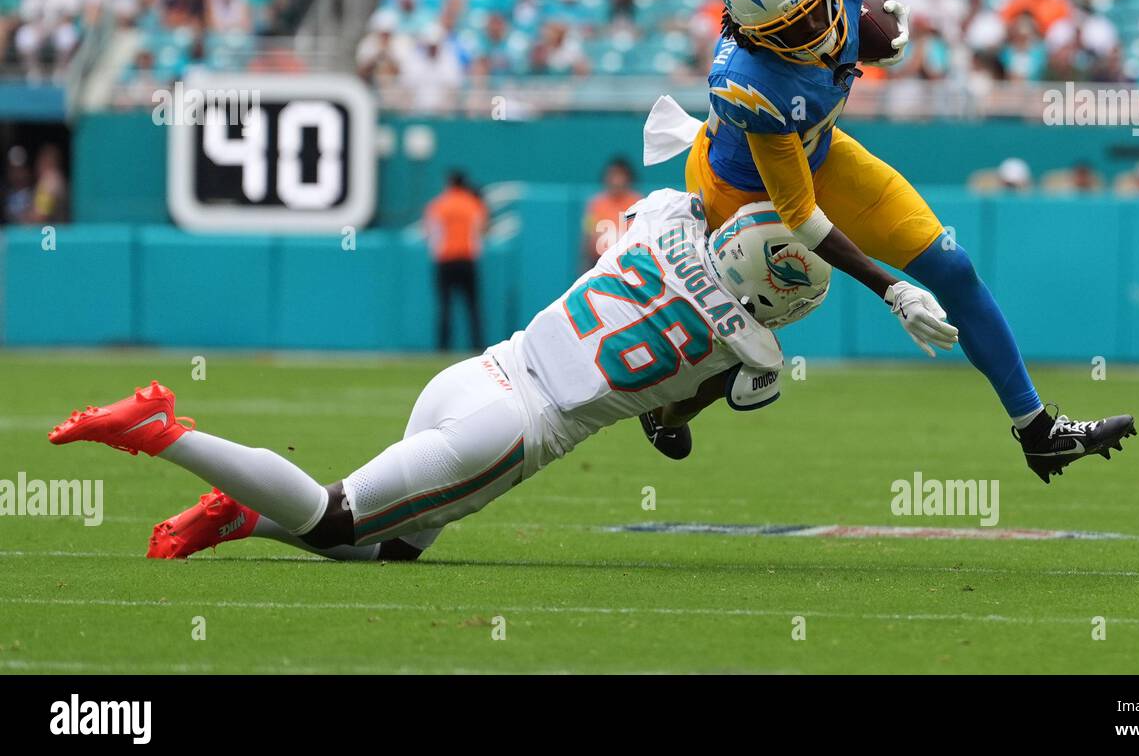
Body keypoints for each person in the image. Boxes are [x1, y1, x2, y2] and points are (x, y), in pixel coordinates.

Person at [48, 192, 828, 562]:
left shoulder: (665, 219)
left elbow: (689, 184)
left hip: (478, 371)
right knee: (332, 521)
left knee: (396, 549)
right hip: (514, 431)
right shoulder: (751, 352)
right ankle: (164, 432)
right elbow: (672, 431)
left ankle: (242, 515)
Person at [645, 0, 1134, 483]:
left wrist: (880, 37)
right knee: (740, 343)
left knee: (952, 267)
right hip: (741, 188)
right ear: (754, 32)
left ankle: (1037, 432)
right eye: (794, 24)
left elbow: (878, 21)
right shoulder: (748, 79)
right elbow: (800, 214)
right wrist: (892, 290)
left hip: (820, 154)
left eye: (817, 6)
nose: (817, 26)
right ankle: (665, 410)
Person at [424, 170, 488, 350]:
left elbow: (431, 233)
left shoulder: (438, 205)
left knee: (445, 306)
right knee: (473, 307)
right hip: (468, 260)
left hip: (445, 260)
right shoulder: (473, 204)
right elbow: (481, 231)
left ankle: (443, 347)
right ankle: (477, 346)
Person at [580, 157, 641, 266]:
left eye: (620, 176)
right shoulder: (596, 204)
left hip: (629, 265)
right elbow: (588, 236)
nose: (616, 181)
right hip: (600, 264)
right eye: (613, 175)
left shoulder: (637, 203)